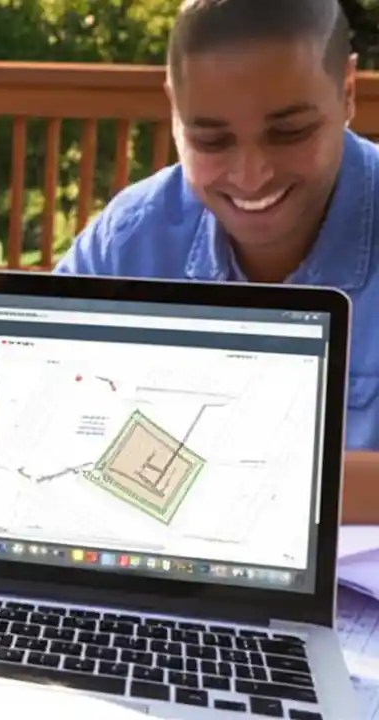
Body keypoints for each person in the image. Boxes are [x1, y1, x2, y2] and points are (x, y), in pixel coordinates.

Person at [53, 0, 379, 523]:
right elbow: (37, 405)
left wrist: (220, 480)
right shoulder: (129, 239)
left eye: (290, 132)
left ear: (346, 91)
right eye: (211, 140)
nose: (251, 176)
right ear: (174, 110)